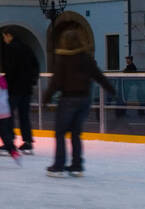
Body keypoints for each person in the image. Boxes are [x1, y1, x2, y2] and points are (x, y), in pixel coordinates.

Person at [42, 29, 116, 177]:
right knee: (76, 133)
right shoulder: (86, 58)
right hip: (84, 99)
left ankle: (59, 165)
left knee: (60, 133)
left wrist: (46, 97)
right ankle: (77, 166)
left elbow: (56, 81)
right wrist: (111, 90)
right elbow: (98, 75)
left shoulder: (63, 59)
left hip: (68, 99)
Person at [0, 30, 38, 154]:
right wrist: (32, 81)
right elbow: (35, 65)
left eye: (4, 36)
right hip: (26, 88)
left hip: (14, 88)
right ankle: (27, 141)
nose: (4, 39)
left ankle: (9, 141)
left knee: (8, 115)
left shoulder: (10, 48)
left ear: (9, 35)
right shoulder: (27, 48)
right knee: (24, 116)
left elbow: (10, 69)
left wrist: (6, 85)